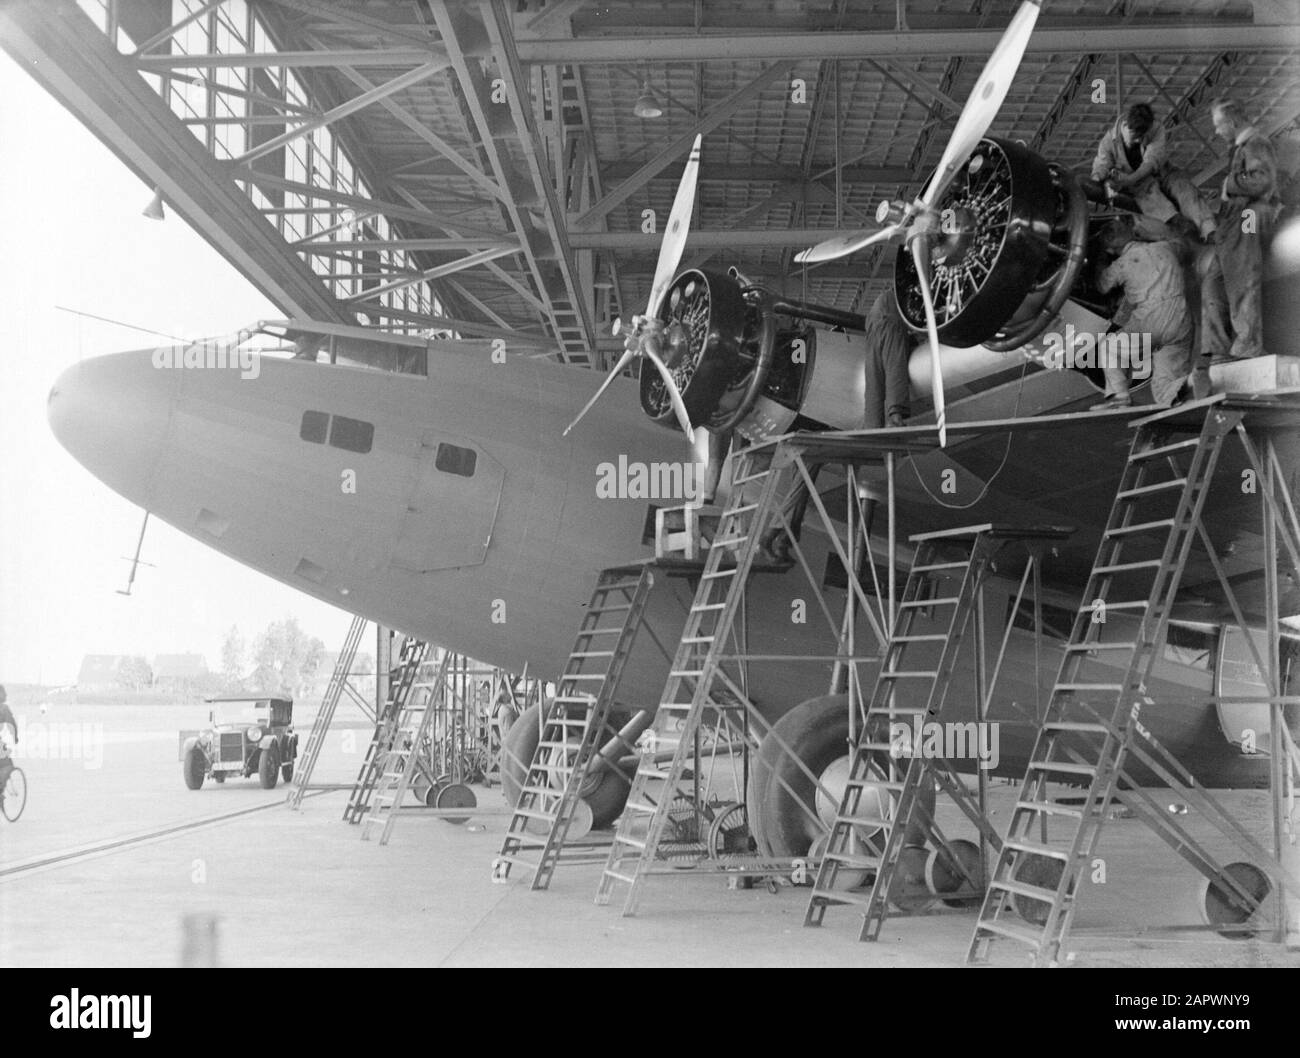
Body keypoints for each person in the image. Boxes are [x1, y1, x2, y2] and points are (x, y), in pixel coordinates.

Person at [1198, 98, 1279, 366]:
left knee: (1243, 279)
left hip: (1247, 216)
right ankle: (1219, 348)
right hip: (1233, 223)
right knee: (1213, 285)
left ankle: (1248, 344)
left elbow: (1262, 180)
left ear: (1232, 123)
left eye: (1219, 125)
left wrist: (1229, 183)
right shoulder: (1243, 146)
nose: (1217, 131)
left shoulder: (1256, 143)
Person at [1092, 217, 1192, 409]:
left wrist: (1100, 260)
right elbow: (1184, 247)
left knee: (1110, 348)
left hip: (1151, 318)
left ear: (1111, 250)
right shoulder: (1165, 247)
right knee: (1166, 389)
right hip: (1181, 318)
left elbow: (1102, 286)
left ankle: (1119, 396)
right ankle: (1194, 381)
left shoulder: (1121, 264)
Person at [1092, 102, 1214, 241]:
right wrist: (1099, 178)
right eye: (1135, 136)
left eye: (1142, 136)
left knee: (1185, 189)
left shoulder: (1156, 129)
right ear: (1125, 126)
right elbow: (1101, 165)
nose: (1139, 140)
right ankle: (1179, 226)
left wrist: (1129, 179)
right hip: (1140, 186)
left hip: (1164, 173)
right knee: (1151, 198)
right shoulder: (1108, 142)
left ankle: (1210, 231)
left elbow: (1151, 160)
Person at [863, 287, 911, 429]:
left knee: (873, 378)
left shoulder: (885, 297)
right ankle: (895, 417)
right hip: (892, 320)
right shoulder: (905, 296)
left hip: (872, 329)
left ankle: (871, 425)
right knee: (895, 367)